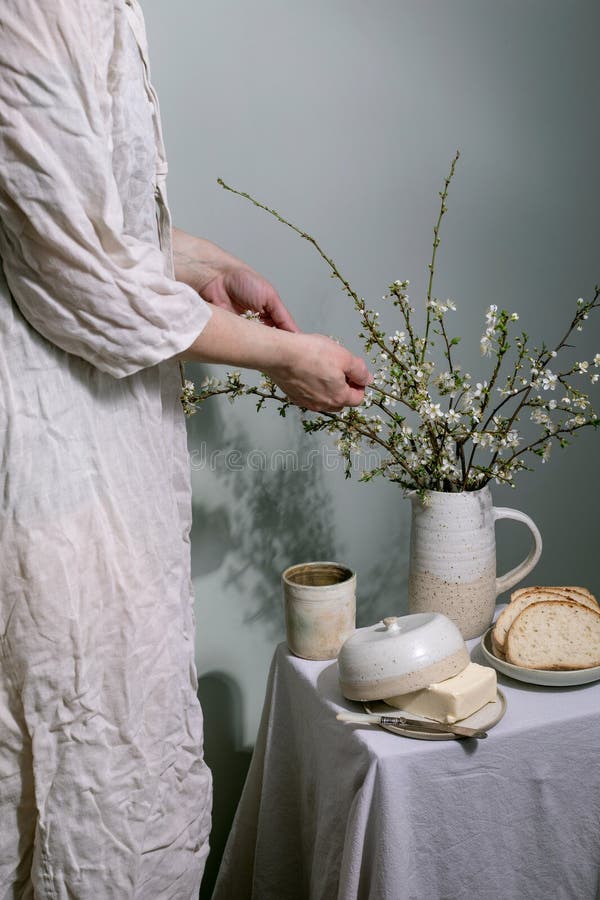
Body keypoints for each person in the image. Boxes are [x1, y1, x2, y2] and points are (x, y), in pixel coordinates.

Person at [0, 1, 370, 897]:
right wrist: (284, 356)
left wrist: (207, 267)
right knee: (68, 736)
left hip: (101, 441)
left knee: (112, 735)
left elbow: (91, 224)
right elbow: (82, 278)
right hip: (48, 446)